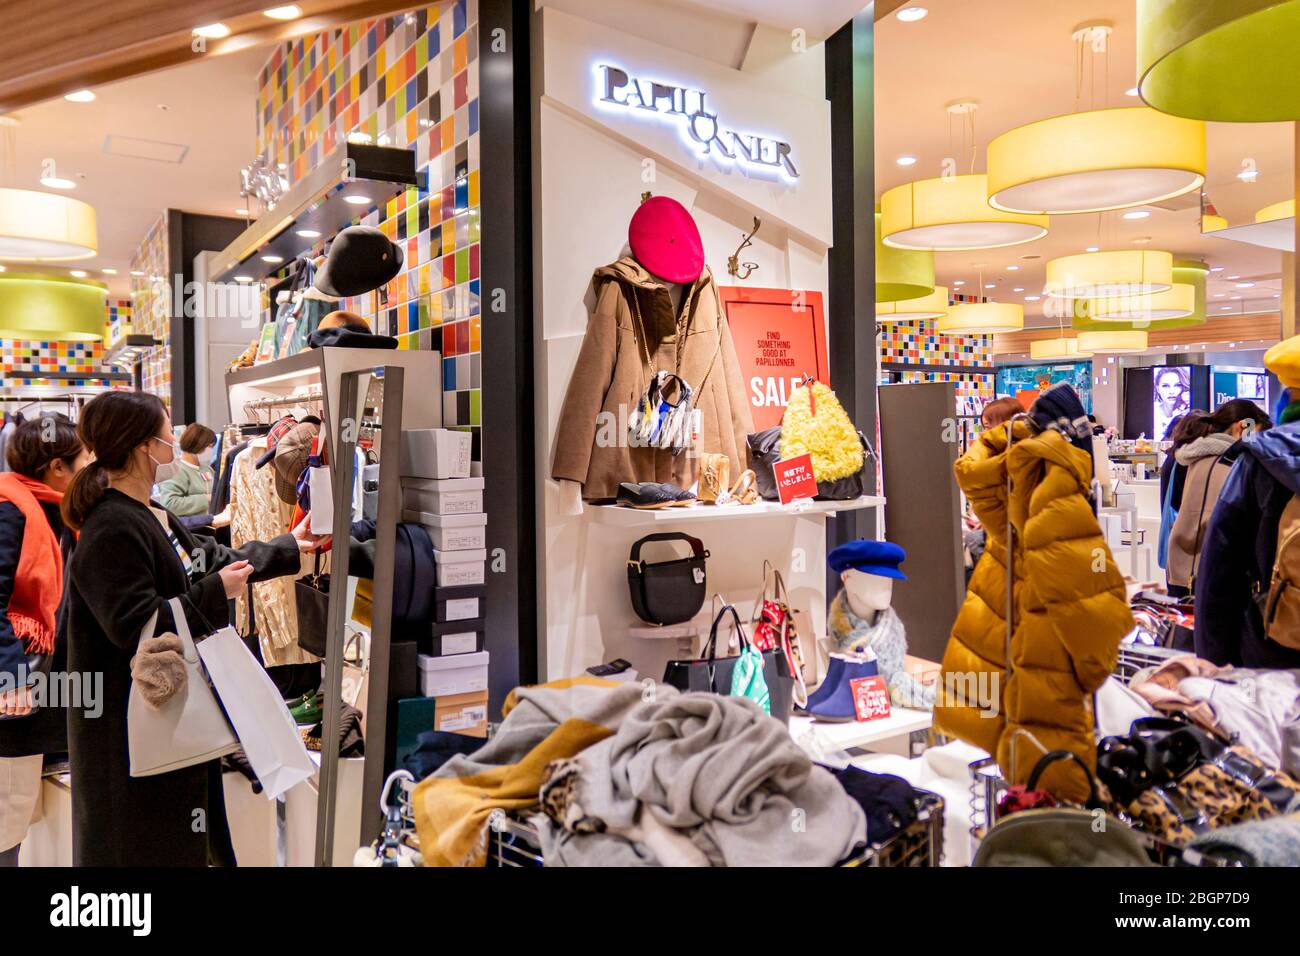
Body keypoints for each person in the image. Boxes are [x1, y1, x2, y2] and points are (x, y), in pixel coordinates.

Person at [62, 391, 319, 866]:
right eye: (167, 431)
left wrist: (291, 546)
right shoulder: (111, 527)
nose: (173, 440)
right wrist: (216, 592)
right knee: (139, 849)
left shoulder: (148, 514)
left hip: (164, 727)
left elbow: (212, 561)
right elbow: (135, 627)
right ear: (145, 446)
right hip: (128, 736)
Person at [0, 416, 88, 867]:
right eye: (83, 459)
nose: (90, 466)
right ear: (57, 466)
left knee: (19, 819)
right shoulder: (11, 509)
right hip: (14, 704)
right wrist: (11, 679)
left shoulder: (53, 510)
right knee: (6, 823)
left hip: (42, 700)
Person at [1167, 400, 1271, 595]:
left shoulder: (1188, 457)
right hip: (1216, 573)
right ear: (1244, 426)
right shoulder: (1238, 464)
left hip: (1180, 567)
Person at [156, 423, 217, 517]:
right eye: (208, 446)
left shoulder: (207, 469)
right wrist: (206, 499)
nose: (211, 450)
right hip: (190, 528)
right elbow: (169, 504)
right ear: (198, 445)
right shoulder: (176, 471)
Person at [1153, 367, 1190, 444]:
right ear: (1158, 388)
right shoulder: (1152, 412)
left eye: (1177, 385)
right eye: (1165, 386)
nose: (1171, 391)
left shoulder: (1189, 413)